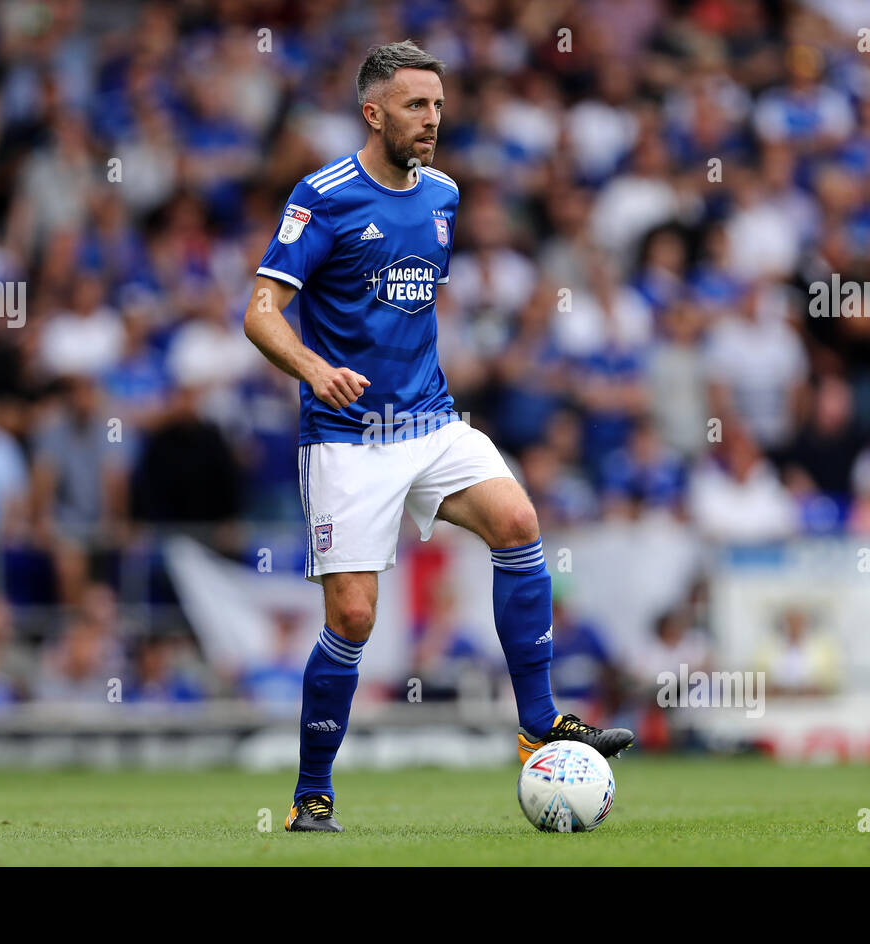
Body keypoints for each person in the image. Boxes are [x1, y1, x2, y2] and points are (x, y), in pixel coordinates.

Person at [243, 41, 634, 833]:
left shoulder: (445, 195)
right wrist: (316, 371)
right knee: (353, 618)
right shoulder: (324, 196)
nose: (432, 120)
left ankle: (538, 724)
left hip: (429, 421)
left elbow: (407, 313)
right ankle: (310, 794)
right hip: (347, 438)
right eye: (417, 106)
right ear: (373, 111)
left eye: (439, 106)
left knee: (519, 523)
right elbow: (259, 310)